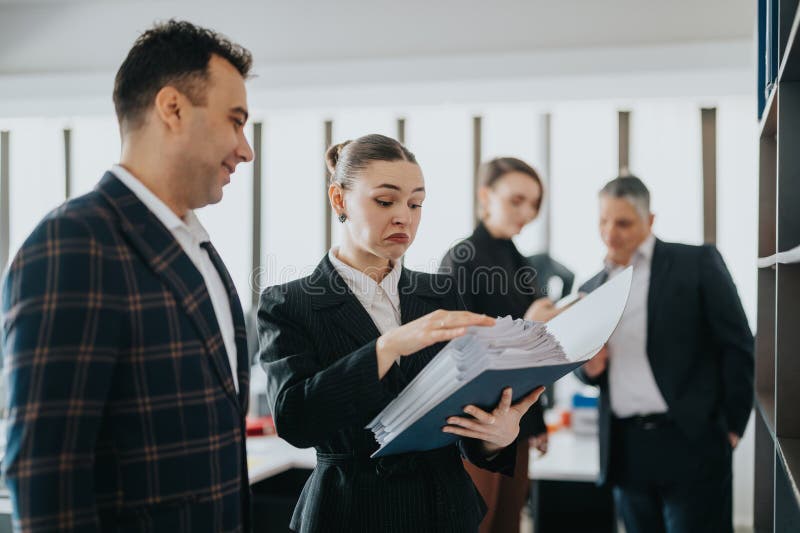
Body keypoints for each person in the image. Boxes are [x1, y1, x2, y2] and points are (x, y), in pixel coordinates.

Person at [1, 20, 254, 532]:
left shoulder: (198, 248)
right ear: (172, 108)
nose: (245, 149)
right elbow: (46, 478)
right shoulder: (74, 241)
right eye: (235, 121)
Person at [257, 134, 545, 533]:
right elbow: (295, 420)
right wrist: (387, 347)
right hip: (351, 514)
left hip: (445, 512)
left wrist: (496, 436)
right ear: (339, 200)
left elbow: (462, 422)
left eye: (415, 204)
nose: (403, 218)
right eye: (385, 201)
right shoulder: (290, 303)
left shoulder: (440, 293)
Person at [575, 175, 754, 533]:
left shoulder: (696, 262)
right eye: (603, 221)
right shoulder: (591, 288)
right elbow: (581, 363)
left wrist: (733, 426)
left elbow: (737, 344)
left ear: (650, 220)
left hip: (692, 440)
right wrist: (589, 369)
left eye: (623, 223)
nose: (610, 233)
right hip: (626, 448)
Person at [440, 157, 553, 533]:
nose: (528, 213)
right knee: (477, 524)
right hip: (476, 423)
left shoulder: (520, 262)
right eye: (517, 200)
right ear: (485, 196)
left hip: (516, 419)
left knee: (508, 524)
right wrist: (530, 325)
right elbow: (456, 348)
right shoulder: (463, 259)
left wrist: (536, 420)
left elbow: (533, 356)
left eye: (534, 204)